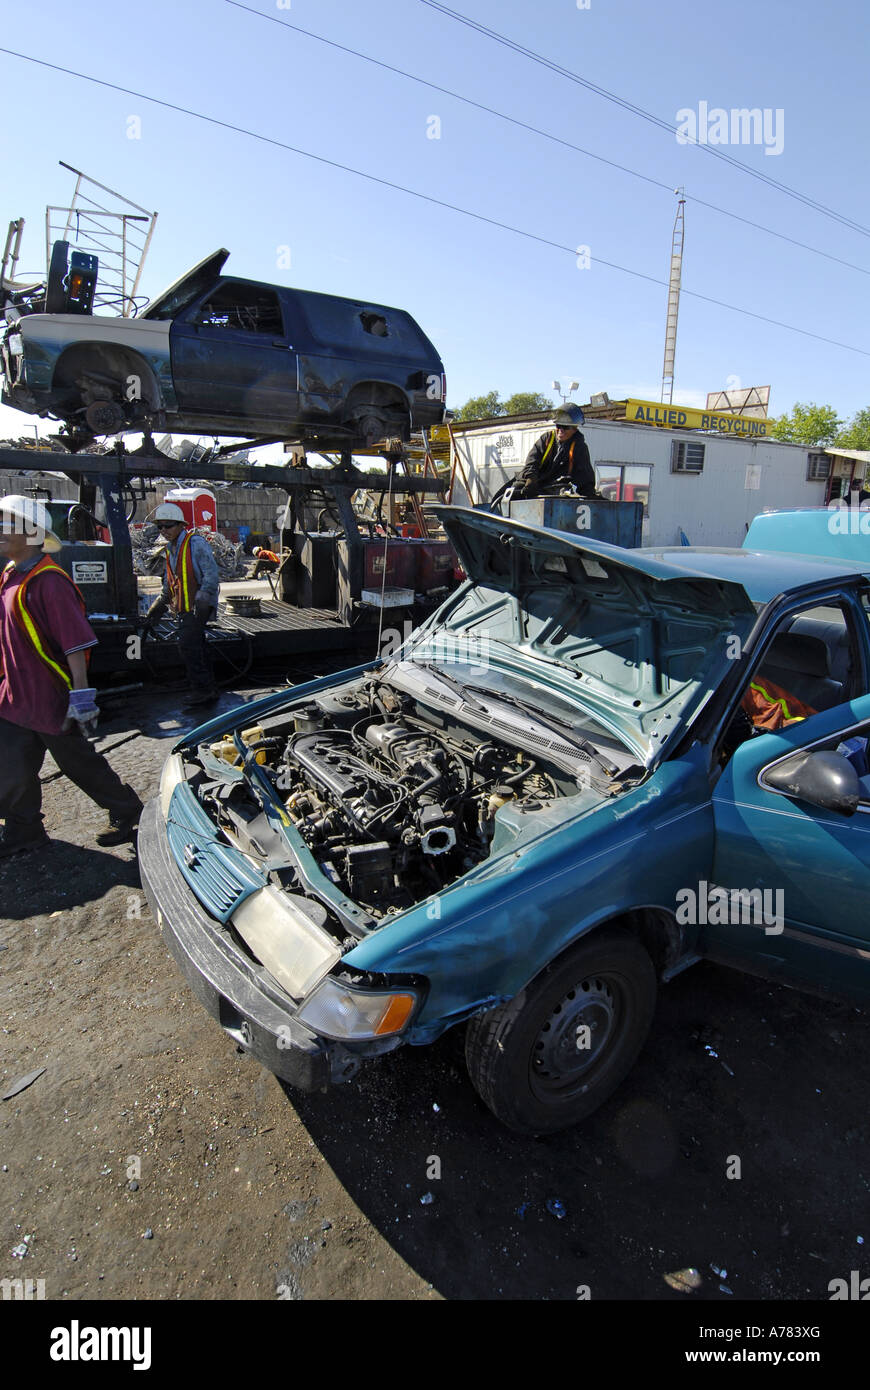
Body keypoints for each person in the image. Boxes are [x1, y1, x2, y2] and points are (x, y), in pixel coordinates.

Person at [0, 494, 143, 857]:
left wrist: (81, 696)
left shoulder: (49, 582)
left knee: (79, 764)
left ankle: (126, 810)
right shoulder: (9, 576)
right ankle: (24, 831)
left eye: (7, 523)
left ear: (33, 533)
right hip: (15, 698)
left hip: (50, 698)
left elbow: (75, 642)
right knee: (13, 769)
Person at [143, 504, 221, 710]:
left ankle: (203, 690)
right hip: (185, 605)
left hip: (199, 604)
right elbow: (169, 584)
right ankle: (209, 687)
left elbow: (211, 574)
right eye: (160, 527)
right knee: (197, 645)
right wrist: (157, 607)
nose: (164, 531)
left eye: (168, 526)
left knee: (187, 644)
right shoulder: (170, 549)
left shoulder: (195, 543)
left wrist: (203, 600)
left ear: (180, 525)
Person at [516, 403, 596, 498]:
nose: (560, 430)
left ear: (574, 429)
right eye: (559, 425)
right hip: (536, 484)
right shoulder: (546, 439)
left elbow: (586, 477)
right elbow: (532, 462)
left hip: (559, 491)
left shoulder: (580, 447)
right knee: (515, 490)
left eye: (565, 427)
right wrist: (531, 480)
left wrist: (589, 496)